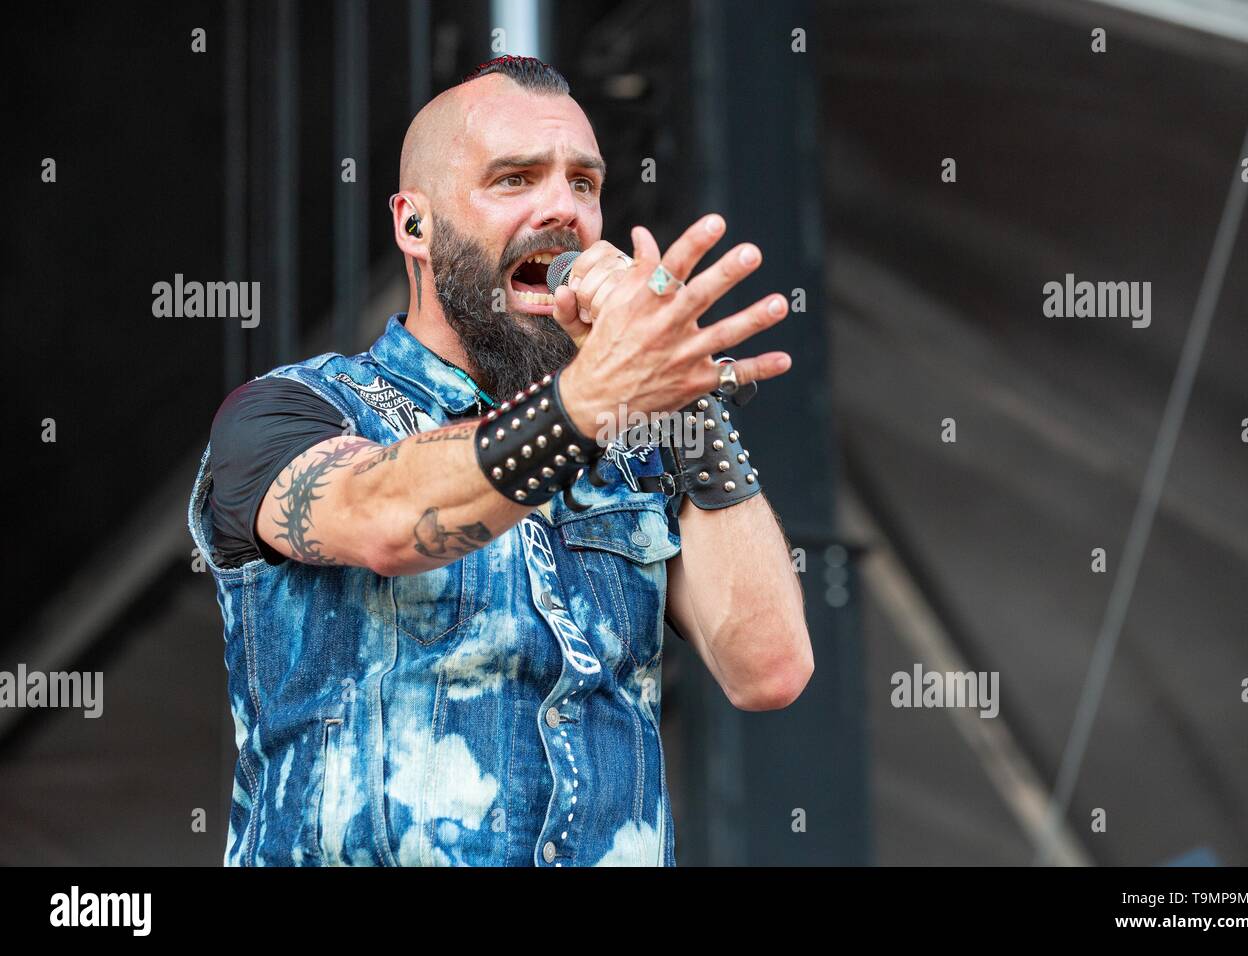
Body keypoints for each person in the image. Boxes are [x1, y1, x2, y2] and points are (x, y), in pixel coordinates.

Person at [187, 54, 812, 867]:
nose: (563, 210)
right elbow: (383, 522)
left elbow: (768, 668)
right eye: (515, 179)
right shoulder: (293, 411)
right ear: (415, 225)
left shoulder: (635, 448)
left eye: (583, 184)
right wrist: (594, 397)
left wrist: (684, 397)